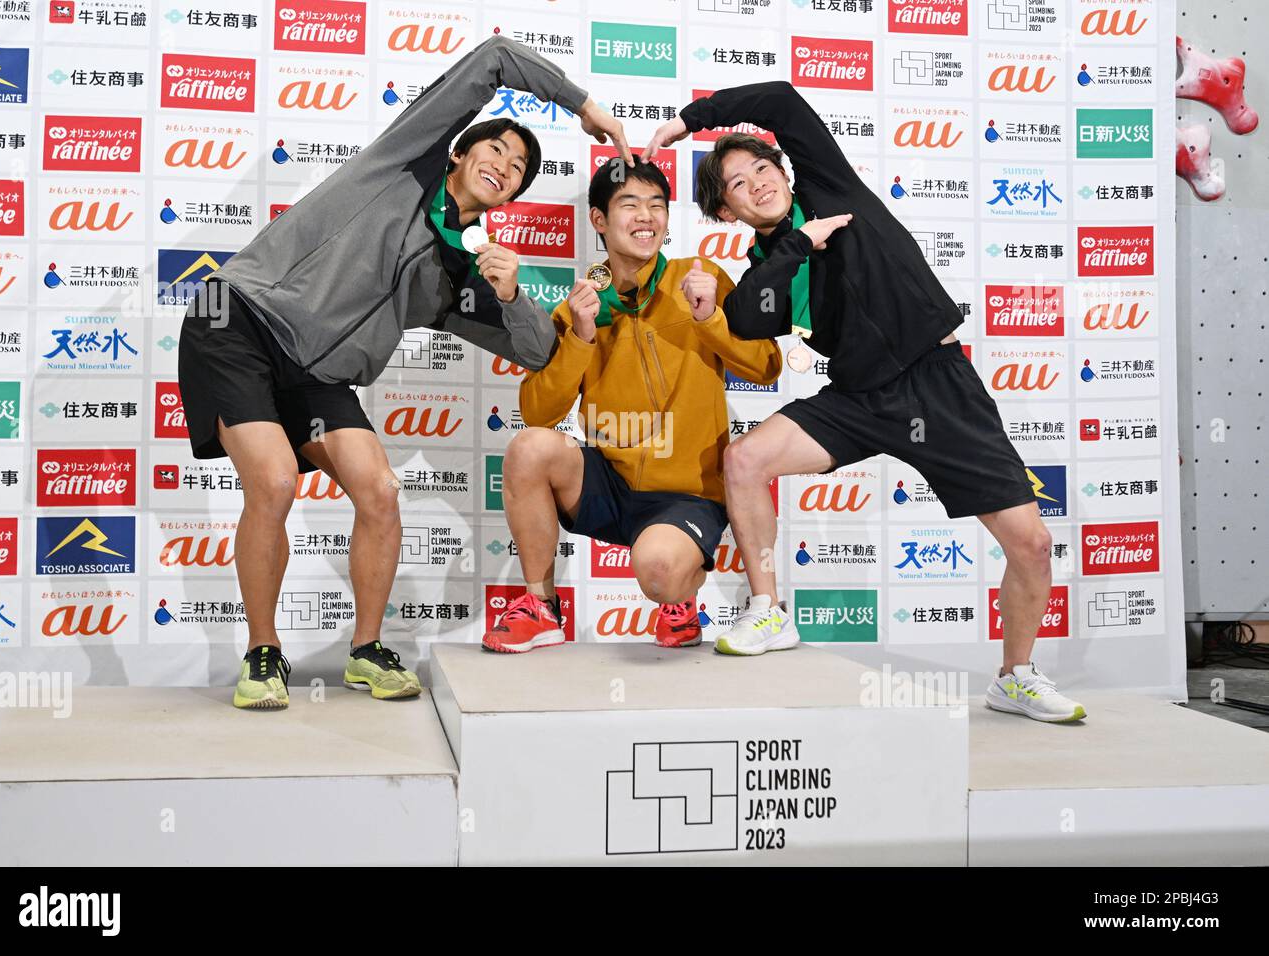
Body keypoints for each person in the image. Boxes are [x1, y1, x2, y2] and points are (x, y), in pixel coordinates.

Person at [178, 36, 631, 709]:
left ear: (508, 200)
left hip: (313, 370)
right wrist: (583, 104)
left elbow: (538, 350)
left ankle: (365, 650)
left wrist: (511, 297)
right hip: (236, 318)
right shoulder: (401, 165)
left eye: (519, 168)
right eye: (497, 150)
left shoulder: (457, 274)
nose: (505, 165)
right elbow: (496, 56)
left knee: (380, 491)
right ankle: (263, 654)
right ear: (460, 152)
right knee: (273, 480)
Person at [643, 82, 1085, 723]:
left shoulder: (830, 187)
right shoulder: (770, 258)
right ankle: (768, 608)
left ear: (785, 169)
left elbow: (780, 100)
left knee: (1032, 543)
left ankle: (1015, 677)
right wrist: (800, 245)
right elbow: (745, 317)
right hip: (856, 398)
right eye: (737, 185)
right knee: (743, 460)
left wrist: (691, 123)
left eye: (762, 168)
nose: (757, 183)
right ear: (728, 212)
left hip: (935, 384)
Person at [481, 159, 782, 653]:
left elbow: (766, 366)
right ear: (599, 219)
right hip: (608, 481)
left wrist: (709, 321)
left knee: (660, 569)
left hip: (686, 492)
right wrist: (580, 337)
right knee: (530, 448)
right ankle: (540, 606)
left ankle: (679, 601)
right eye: (629, 205)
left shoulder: (699, 279)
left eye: (656, 205)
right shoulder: (580, 303)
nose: (646, 217)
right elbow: (539, 412)